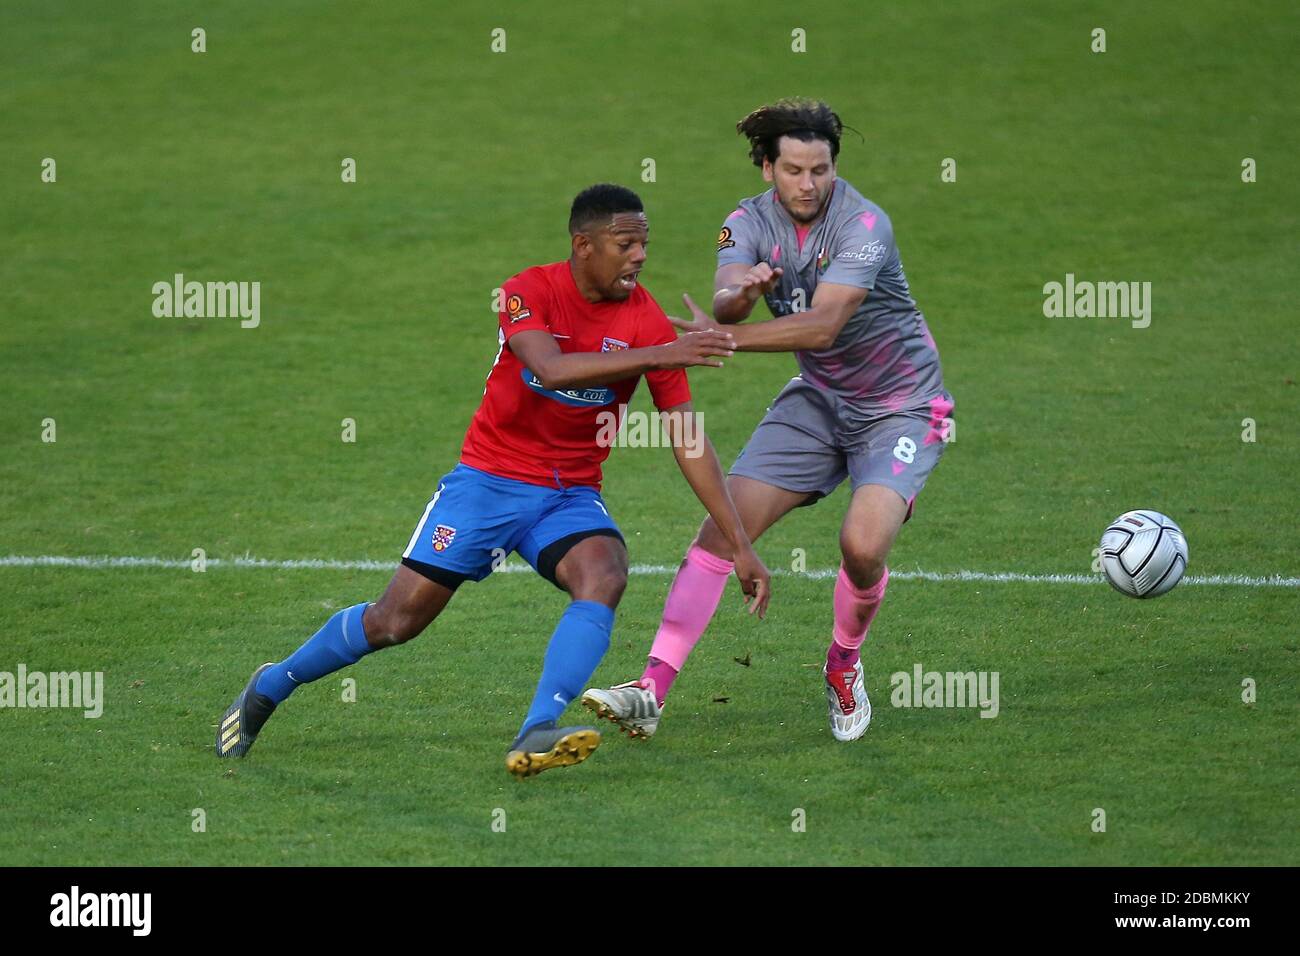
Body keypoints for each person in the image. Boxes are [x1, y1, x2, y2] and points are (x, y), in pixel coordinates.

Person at [216, 183, 770, 777]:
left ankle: (538, 726)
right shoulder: (527, 291)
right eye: (625, 243)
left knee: (604, 574)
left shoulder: (646, 321)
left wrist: (738, 542)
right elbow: (551, 369)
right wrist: (656, 355)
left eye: (644, 244)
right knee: (395, 622)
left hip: (569, 494)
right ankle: (272, 684)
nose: (639, 255)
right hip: (488, 482)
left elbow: (688, 439)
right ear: (584, 245)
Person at [583, 100, 953, 742]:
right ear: (766, 169)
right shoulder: (743, 223)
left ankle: (842, 664)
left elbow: (824, 323)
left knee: (862, 548)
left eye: (820, 169)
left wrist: (727, 339)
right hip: (817, 398)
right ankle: (650, 691)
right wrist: (742, 297)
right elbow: (725, 298)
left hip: (902, 405)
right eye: (793, 170)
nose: (808, 184)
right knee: (722, 530)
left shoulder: (865, 224)